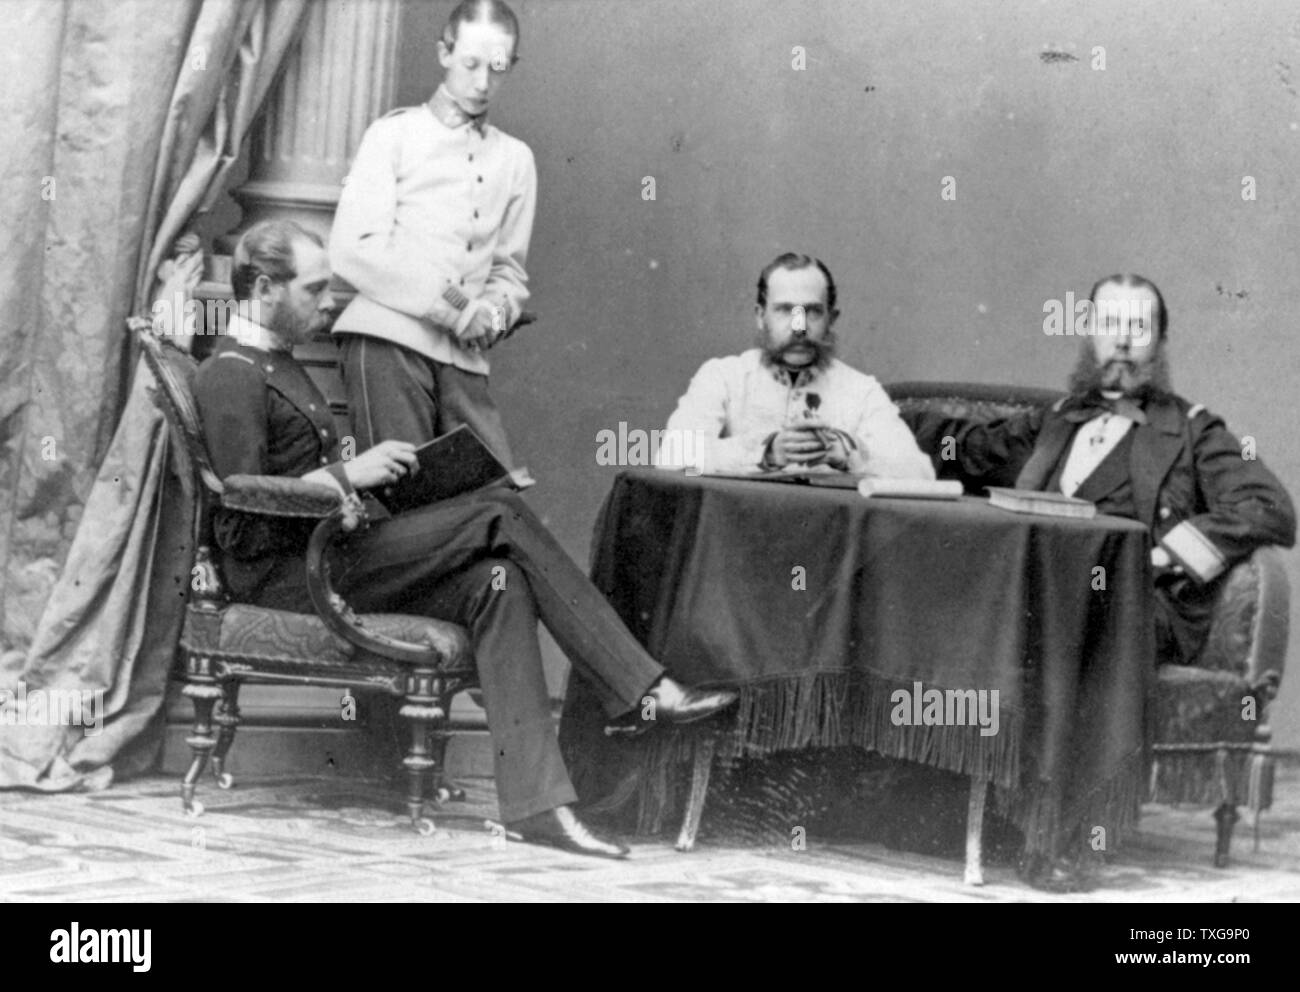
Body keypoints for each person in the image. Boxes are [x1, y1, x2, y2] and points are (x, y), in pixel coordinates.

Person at [192, 221, 737, 859]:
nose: (328, 303)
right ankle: (641, 690)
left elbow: (288, 486)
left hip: (330, 552)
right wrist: (349, 475)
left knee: (496, 585)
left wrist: (370, 483)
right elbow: (238, 522)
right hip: (289, 578)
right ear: (262, 288)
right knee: (498, 514)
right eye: (314, 290)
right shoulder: (230, 372)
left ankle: (535, 805)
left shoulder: (274, 361)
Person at [931, 273, 1295, 666]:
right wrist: (868, 428)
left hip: (1134, 608)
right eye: (1109, 324)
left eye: (1138, 327)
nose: (1122, 341)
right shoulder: (1055, 422)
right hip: (1043, 598)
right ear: (1089, 334)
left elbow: (1269, 506)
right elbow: (963, 449)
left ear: (1160, 342)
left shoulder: (1193, 431)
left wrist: (1166, 554)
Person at [329, 0, 533, 473]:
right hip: (388, 342)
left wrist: (494, 314)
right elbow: (354, 249)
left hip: (463, 359)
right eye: (471, 64)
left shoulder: (516, 159)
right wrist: (458, 310)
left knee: (492, 495)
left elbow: (509, 272)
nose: (483, 83)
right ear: (444, 53)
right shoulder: (394, 135)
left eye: (498, 68)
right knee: (404, 497)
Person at [655, 252, 936, 479]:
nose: (799, 327)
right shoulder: (723, 377)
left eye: (812, 312)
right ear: (760, 316)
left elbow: (920, 474)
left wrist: (846, 451)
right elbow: (672, 455)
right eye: (785, 310)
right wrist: (765, 452)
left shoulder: (862, 391)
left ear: (831, 319)